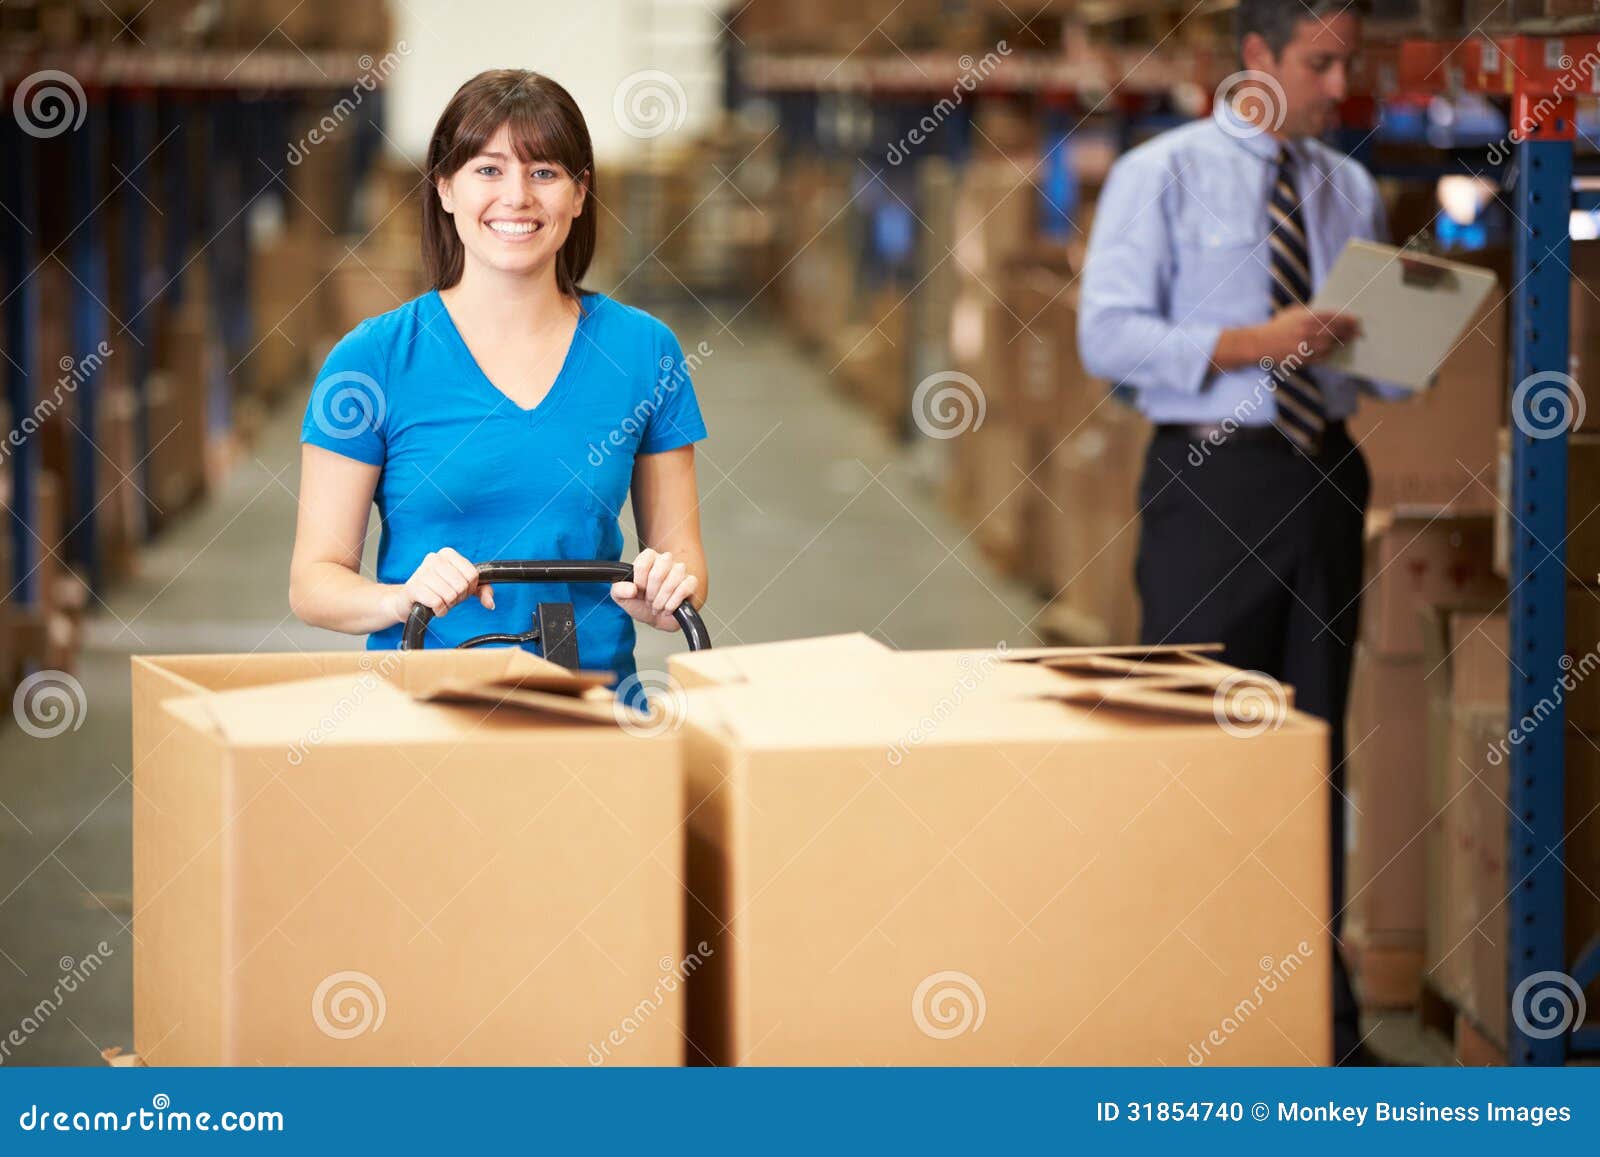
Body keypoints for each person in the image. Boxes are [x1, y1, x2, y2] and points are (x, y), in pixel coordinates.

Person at [1078, 0, 1406, 1065]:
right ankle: (1180, 1006)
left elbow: (1368, 362)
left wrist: (1405, 338)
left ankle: (1317, 1018)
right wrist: (1257, 340)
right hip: (1212, 480)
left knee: (1313, 745)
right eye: (1319, 63)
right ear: (1256, 58)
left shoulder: (1343, 183)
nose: (1334, 86)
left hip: (1323, 474)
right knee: (1201, 746)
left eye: (1345, 64)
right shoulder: (1161, 173)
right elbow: (1107, 335)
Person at [289, 70, 707, 699]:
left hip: (593, 707)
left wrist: (667, 595)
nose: (517, 197)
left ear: (578, 193)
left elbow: (686, 564)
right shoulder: (371, 361)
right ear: (445, 187)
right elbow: (314, 582)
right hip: (427, 710)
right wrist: (401, 598)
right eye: (488, 170)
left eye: (544, 172)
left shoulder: (645, 353)